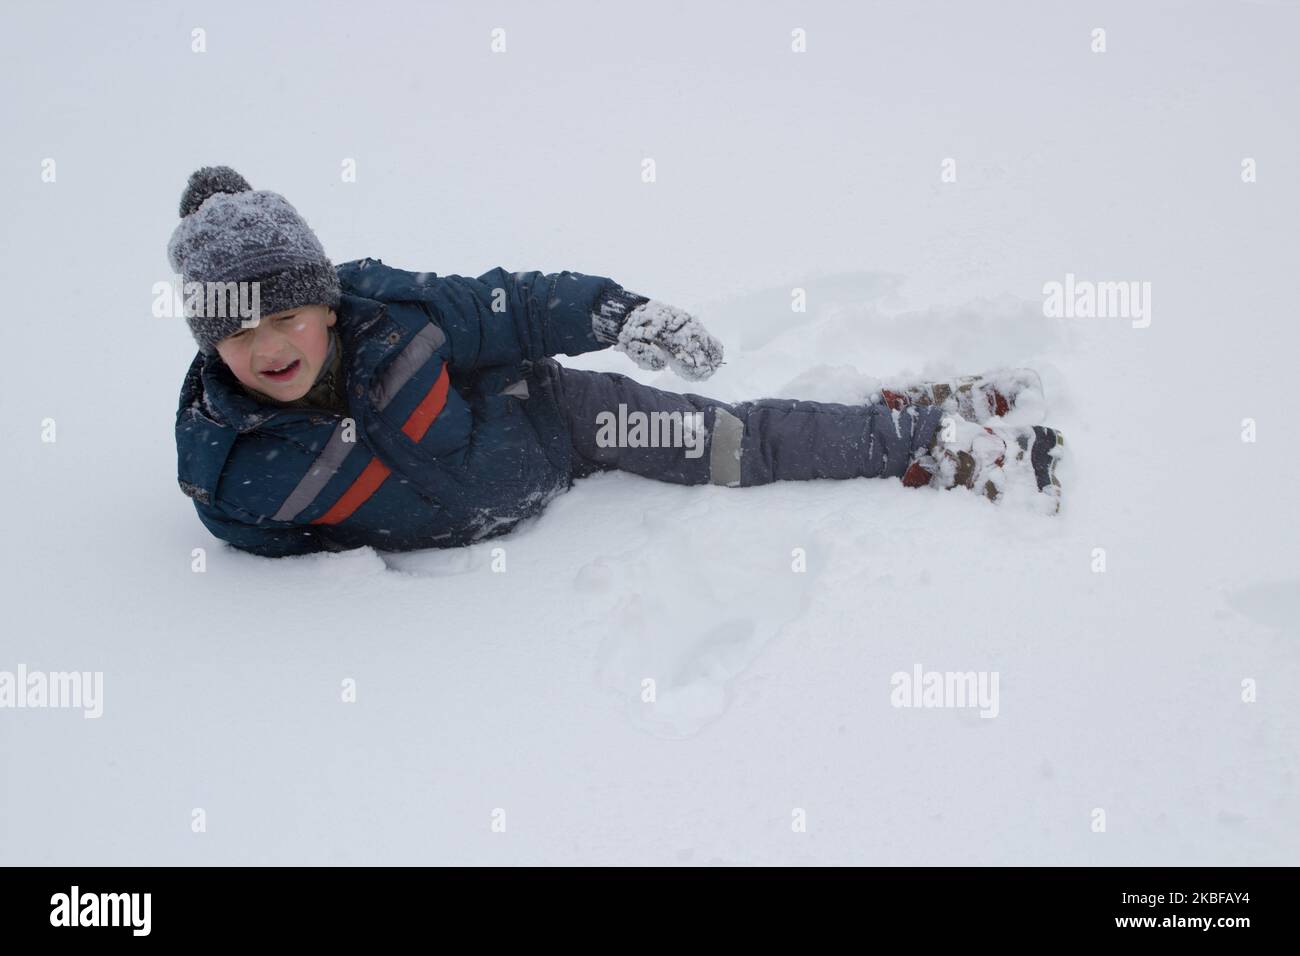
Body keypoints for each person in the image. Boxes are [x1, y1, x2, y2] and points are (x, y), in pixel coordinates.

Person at [169, 166, 1063, 559]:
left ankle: (930, 438)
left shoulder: (395, 315)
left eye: (285, 313)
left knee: (734, 445)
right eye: (238, 334)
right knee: (738, 442)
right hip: (494, 505)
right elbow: (297, 570)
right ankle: (898, 417)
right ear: (209, 342)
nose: (270, 347)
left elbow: (512, 303)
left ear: (324, 300)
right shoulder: (233, 476)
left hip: (560, 420)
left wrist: (617, 312)